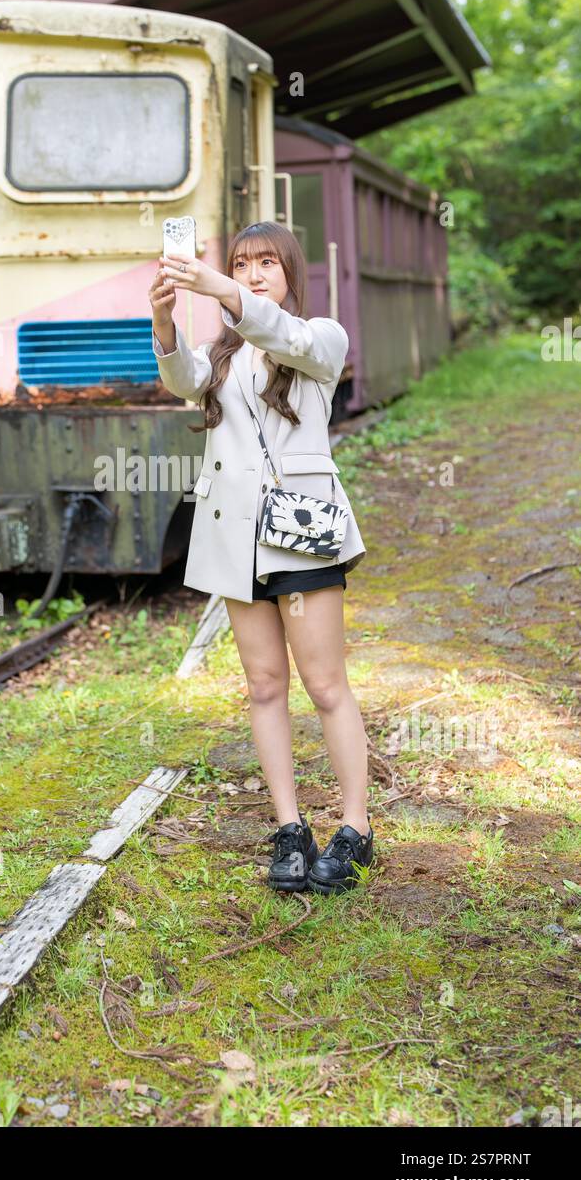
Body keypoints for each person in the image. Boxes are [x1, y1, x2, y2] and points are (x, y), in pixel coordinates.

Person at [148, 221, 374, 896]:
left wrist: (217, 288)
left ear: (290, 272)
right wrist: (165, 319)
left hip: (301, 535)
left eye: (265, 263)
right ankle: (291, 828)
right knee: (265, 686)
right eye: (241, 264)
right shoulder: (223, 359)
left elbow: (282, 332)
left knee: (325, 685)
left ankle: (356, 830)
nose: (251, 273)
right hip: (235, 540)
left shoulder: (319, 338)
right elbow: (181, 376)